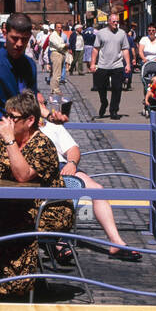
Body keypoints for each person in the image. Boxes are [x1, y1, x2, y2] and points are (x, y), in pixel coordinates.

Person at [0, 90, 73, 296]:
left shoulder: (41, 144)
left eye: (13, 118)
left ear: (30, 120)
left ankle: (11, 287)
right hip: (9, 204)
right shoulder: (2, 141)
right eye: (7, 116)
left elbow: (23, 175)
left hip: (45, 209)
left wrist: (11, 142)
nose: (7, 122)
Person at [35, 99, 141, 260]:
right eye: (40, 104)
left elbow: (73, 149)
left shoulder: (53, 126)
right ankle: (58, 240)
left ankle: (115, 242)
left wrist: (71, 163)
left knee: (96, 190)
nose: (44, 108)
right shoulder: (20, 128)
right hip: (36, 170)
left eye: (44, 103)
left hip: (61, 166)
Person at [0, 11, 66, 144]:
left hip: (25, 140)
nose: (19, 44)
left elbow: (31, 102)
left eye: (24, 39)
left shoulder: (29, 65)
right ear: (5, 34)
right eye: (14, 38)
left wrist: (50, 116)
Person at [89, 12, 131, 119]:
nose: (116, 23)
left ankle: (114, 111)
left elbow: (125, 49)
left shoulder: (122, 33)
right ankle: (104, 102)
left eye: (117, 21)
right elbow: (95, 49)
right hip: (103, 65)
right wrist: (93, 63)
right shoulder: (101, 33)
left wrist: (128, 64)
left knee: (117, 89)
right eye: (114, 21)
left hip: (117, 64)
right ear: (108, 22)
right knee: (101, 87)